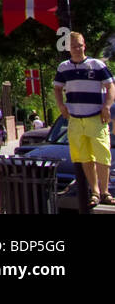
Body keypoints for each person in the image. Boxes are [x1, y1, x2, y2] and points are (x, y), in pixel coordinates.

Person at [53, 31, 114, 208]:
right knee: (85, 157)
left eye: (79, 45)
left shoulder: (96, 65)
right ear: (68, 49)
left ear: (84, 45)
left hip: (96, 117)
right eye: (73, 46)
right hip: (75, 119)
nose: (77, 49)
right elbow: (57, 88)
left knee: (102, 156)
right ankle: (94, 191)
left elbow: (110, 85)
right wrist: (61, 105)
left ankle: (105, 192)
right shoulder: (63, 67)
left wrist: (107, 106)